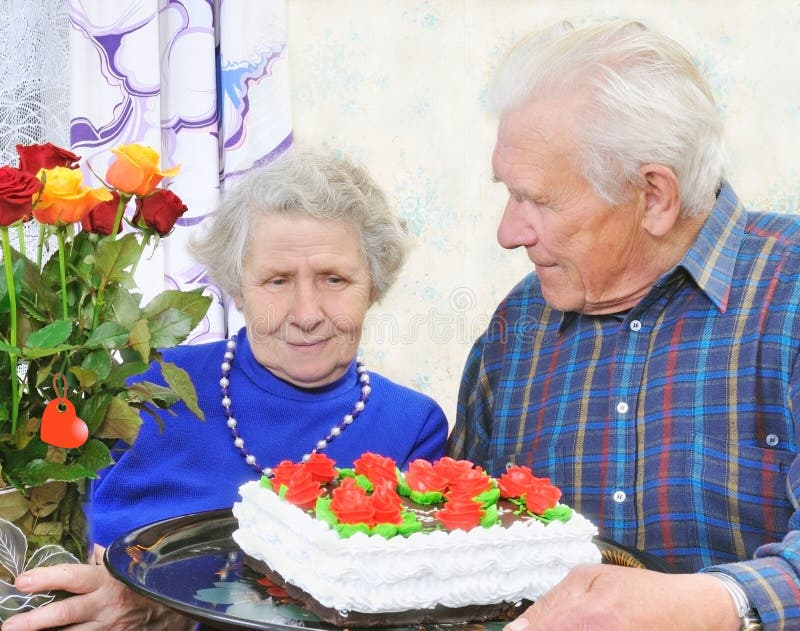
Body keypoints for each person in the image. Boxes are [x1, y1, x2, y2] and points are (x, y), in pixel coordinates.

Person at [449, 18, 799, 631]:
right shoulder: (516, 328)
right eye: (508, 193)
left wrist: (715, 606)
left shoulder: (791, 293)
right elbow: (457, 546)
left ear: (654, 196)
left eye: (539, 200)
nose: (509, 233)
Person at [6, 148, 448, 630]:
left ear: (374, 285)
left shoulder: (411, 426)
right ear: (237, 288)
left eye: (334, 279)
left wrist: (165, 609)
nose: (306, 313)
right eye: (277, 280)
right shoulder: (146, 384)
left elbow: (388, 604)